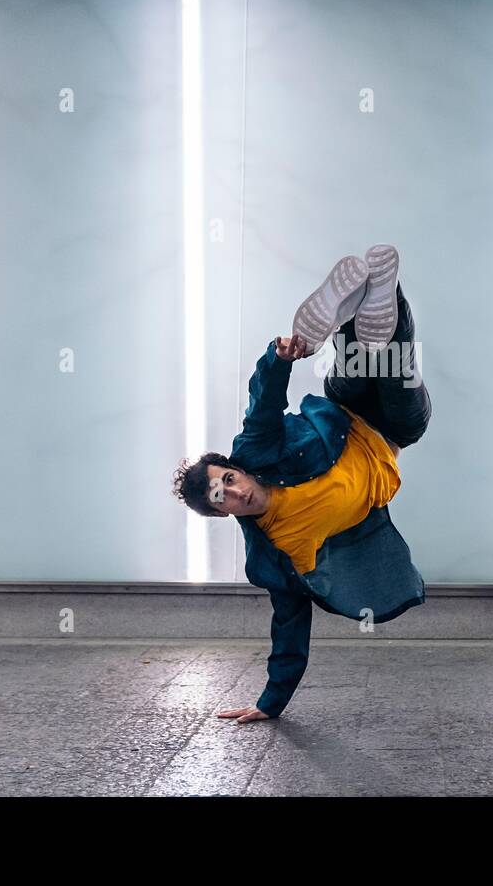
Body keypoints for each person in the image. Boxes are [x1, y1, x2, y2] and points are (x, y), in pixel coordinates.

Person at [171, 244, 432, 723]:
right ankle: (377, 295)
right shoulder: (275, 555)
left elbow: (262, 405)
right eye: (220, 498)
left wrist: (279, 358)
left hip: (344, 412)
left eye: (227, 478)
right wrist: (269, 705)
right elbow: (289, 626)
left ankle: (362, 308)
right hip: (393, 435)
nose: (232, 491)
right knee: (396, 368)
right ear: (221, 514)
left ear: (237, 468)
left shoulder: (256, 450)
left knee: (360, 365)